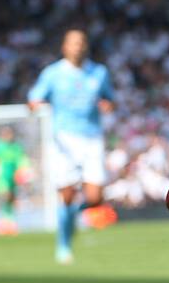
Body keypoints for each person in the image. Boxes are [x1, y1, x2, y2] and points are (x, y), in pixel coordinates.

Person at [27, 29, 115, 264]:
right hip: (64, 139)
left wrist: (107, 105)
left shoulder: (99, 72)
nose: (78, 46)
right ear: (64, 47)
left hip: (92, 137)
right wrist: (34, 104)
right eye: (73, 42)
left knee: (95, 198)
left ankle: (69, 219)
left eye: (82, 42)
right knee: (66, 195)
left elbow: (109, 98)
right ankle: (63, 245)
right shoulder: (53, 73)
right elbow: (35, 96)